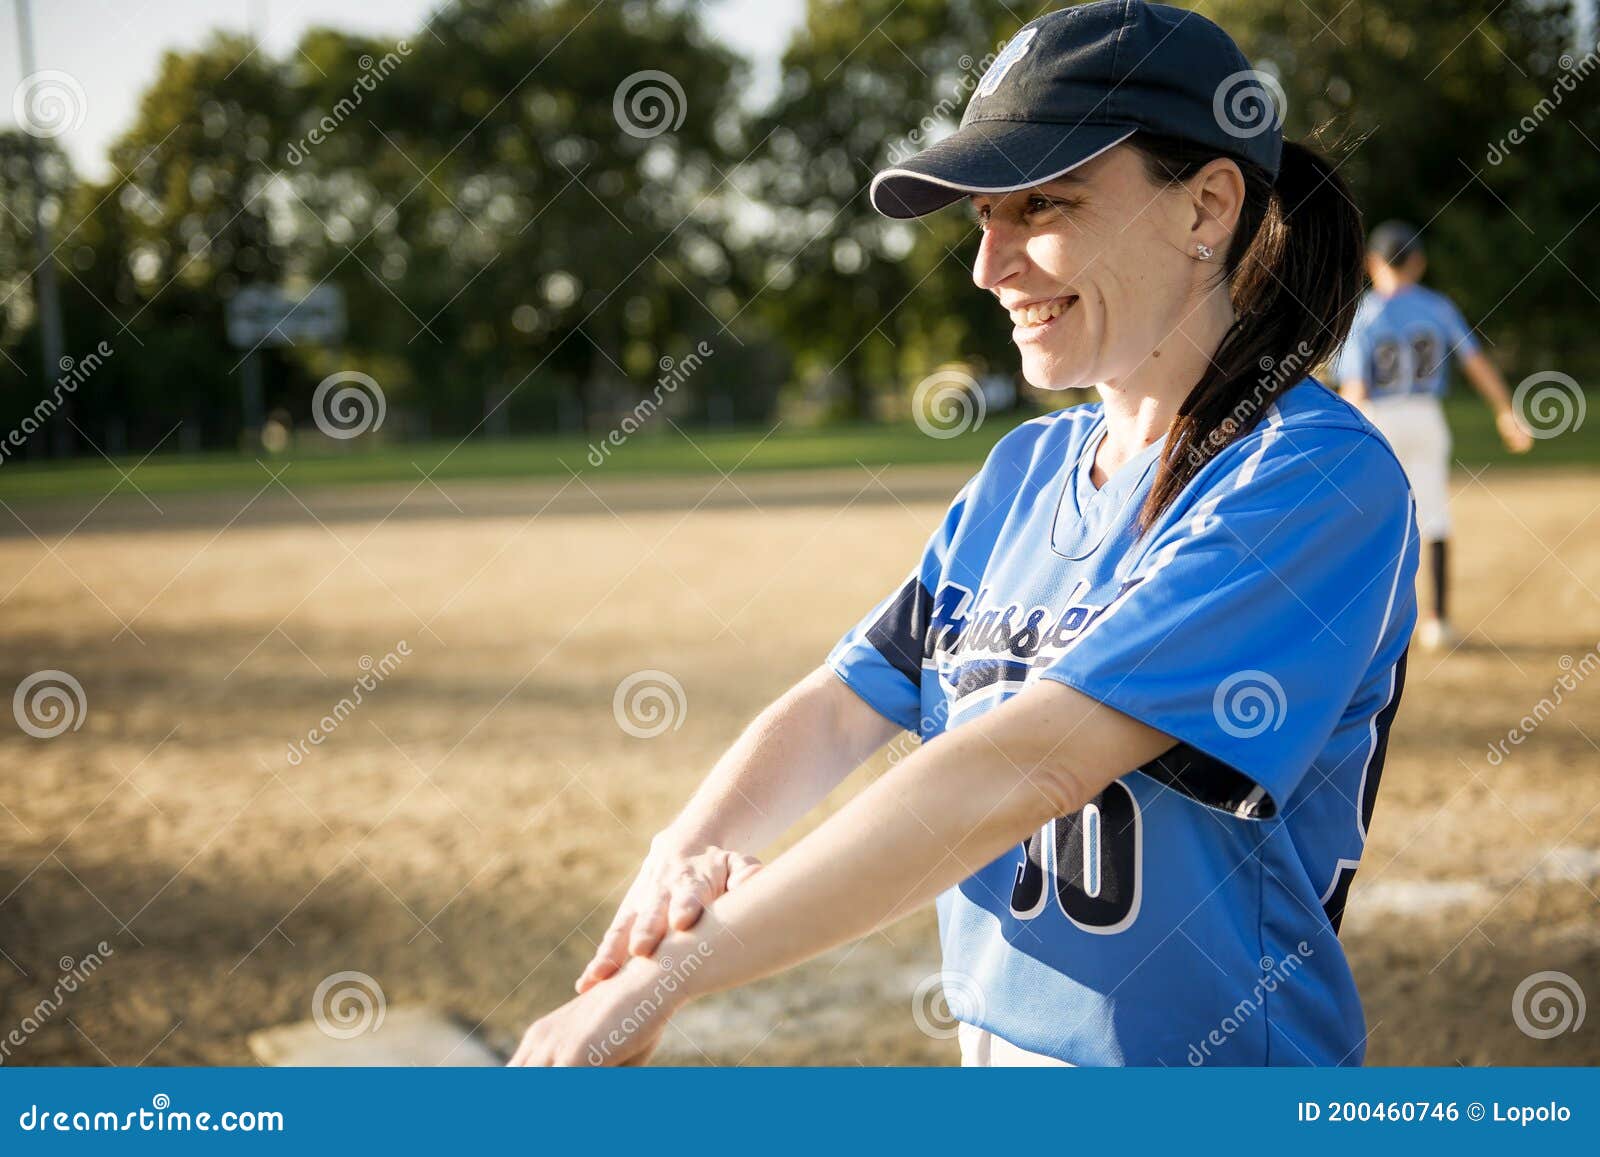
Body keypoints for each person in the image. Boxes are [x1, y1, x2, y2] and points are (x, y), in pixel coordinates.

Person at [512, 0, 1418, 1068]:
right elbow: (840, 706)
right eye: (981, 218)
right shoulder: (1022, 471)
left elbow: (1023, 766)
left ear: (1205, 206)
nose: (989, 267)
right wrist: (678, 868)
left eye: (1044, 204)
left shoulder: (1309, 477)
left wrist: (676, 975)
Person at [1335, 221, 1533, 651]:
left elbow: (1355, 387)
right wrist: (1505, 412)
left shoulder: (1363, 313)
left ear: (1371, 263)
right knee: (1435, 516)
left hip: (1380, 419)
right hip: (1426, 417)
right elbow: (1475, 362)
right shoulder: (1437, 306)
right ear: (1419, 262)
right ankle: (1438, 621)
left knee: (1373, 521)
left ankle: (1373, 626)